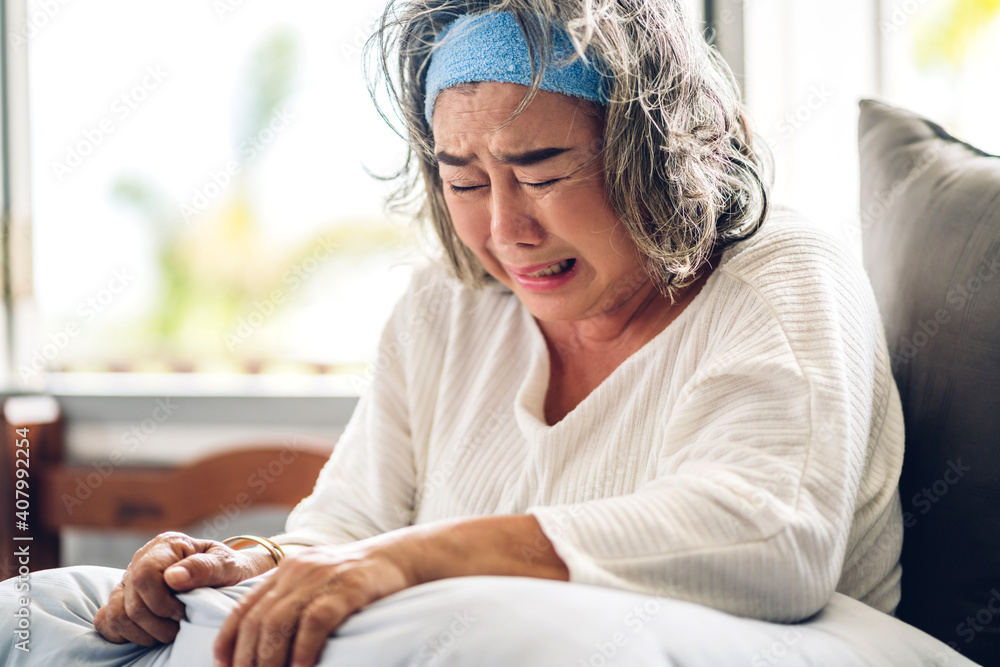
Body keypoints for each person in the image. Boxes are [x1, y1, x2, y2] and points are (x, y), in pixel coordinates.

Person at [0, 1, 907, 666]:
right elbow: (350, 526)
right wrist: (248, 563)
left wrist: (404, 559)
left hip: (753, 642)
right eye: (462, 179)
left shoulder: (781, 270)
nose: (505, 229)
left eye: (541, 168)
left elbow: (769, 539)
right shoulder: (448, 303)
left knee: (479, 629)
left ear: (654, 155)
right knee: (34, 612)